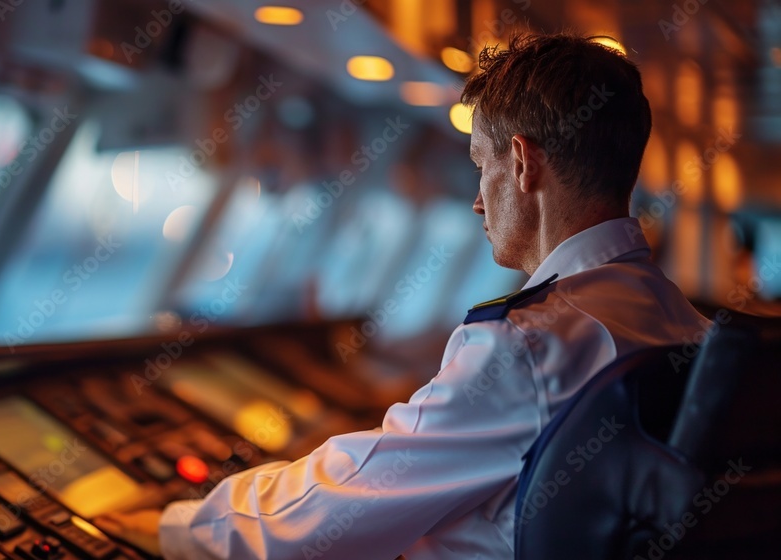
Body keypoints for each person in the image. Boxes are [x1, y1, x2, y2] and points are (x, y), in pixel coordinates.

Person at [96, 33, 713, 559]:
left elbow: (330, 516)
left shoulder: (529, 344)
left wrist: (176, 527)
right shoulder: (680, 318)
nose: (477, 199)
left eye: (480, 165)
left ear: (522, 165)